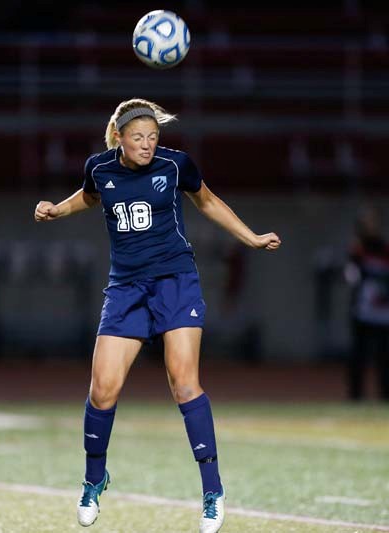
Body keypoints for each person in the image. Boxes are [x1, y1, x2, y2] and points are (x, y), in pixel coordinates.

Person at [34, 98, 281, 532]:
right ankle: (94, 480)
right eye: (138, 138)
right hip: (125, 289)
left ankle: (212, 491)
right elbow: (89, 198)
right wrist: (57, 208)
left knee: (184, 383)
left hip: (175, 282)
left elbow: (207, 201)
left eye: (153, 137)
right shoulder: (100, 168)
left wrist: (251, 237)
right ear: (119, 139)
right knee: (102, 390)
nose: (147, 145)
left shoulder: (175, 165)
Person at [343, 204, 389, 402]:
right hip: (363, 312)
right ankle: (355, 398)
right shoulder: (358, 251)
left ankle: (388, 399)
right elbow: (350, 277)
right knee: (358, 357)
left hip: (384, 313)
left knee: (385, 358)